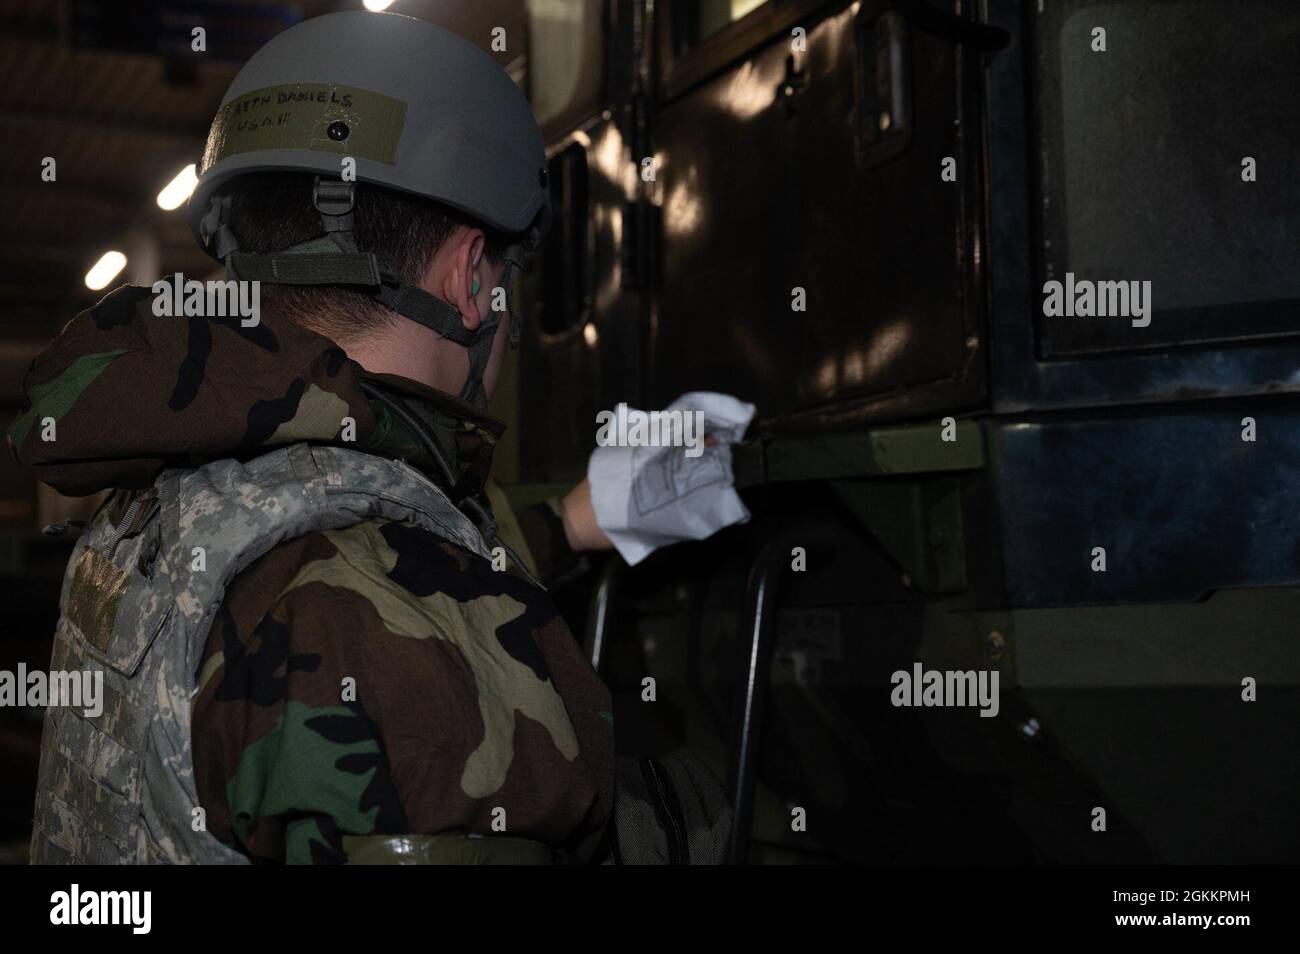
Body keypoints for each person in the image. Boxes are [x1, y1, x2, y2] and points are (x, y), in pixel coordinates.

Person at [11, 11, 632, 865]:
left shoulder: (157, 500)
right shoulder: (380, 635)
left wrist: (563, 528)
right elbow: (368, 596)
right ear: (467, 276)